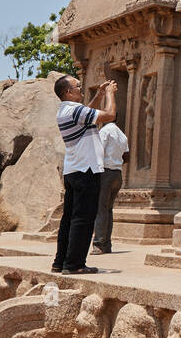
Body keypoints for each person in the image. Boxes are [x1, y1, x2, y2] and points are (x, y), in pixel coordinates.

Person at [52, 75, 116, 274]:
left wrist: (99, 94)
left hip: (73, 169)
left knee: (69, 218)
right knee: (84, 218)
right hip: (86, 169)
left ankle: (60, 261)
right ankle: (75, 264)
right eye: (77, 86)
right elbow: (110, 115)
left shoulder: (66, 111)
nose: (81, 88)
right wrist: (111, 95)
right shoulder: (76, 111)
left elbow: (87, 112)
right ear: (68, 92)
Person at [91, 120, 129, 255]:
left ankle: (99, 244)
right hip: (117, 174)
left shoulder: (105, 131)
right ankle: (107, 244)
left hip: (105, 173)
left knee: (101, 209)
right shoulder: (122, 135)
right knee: (108, 209)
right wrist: (115, 160)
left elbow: (97, 151)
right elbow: (127, 157)